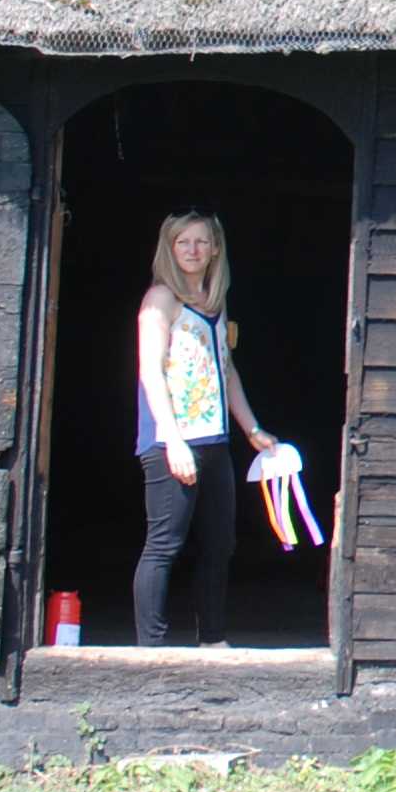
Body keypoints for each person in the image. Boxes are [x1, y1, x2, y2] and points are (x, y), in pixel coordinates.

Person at [134, 210, 281, 648]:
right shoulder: (160, 300)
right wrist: (173, 438)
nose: (193, 251)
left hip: (214, 439)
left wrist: (251, 428)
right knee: (164, 544)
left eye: (201, 242)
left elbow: (225, 369)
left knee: (220, 544)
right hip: (170, 442)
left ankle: (212, 639)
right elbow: (150, 371)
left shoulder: (215, 303)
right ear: (170, 248)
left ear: (215, 248)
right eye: (183, 243)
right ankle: (151, 648)